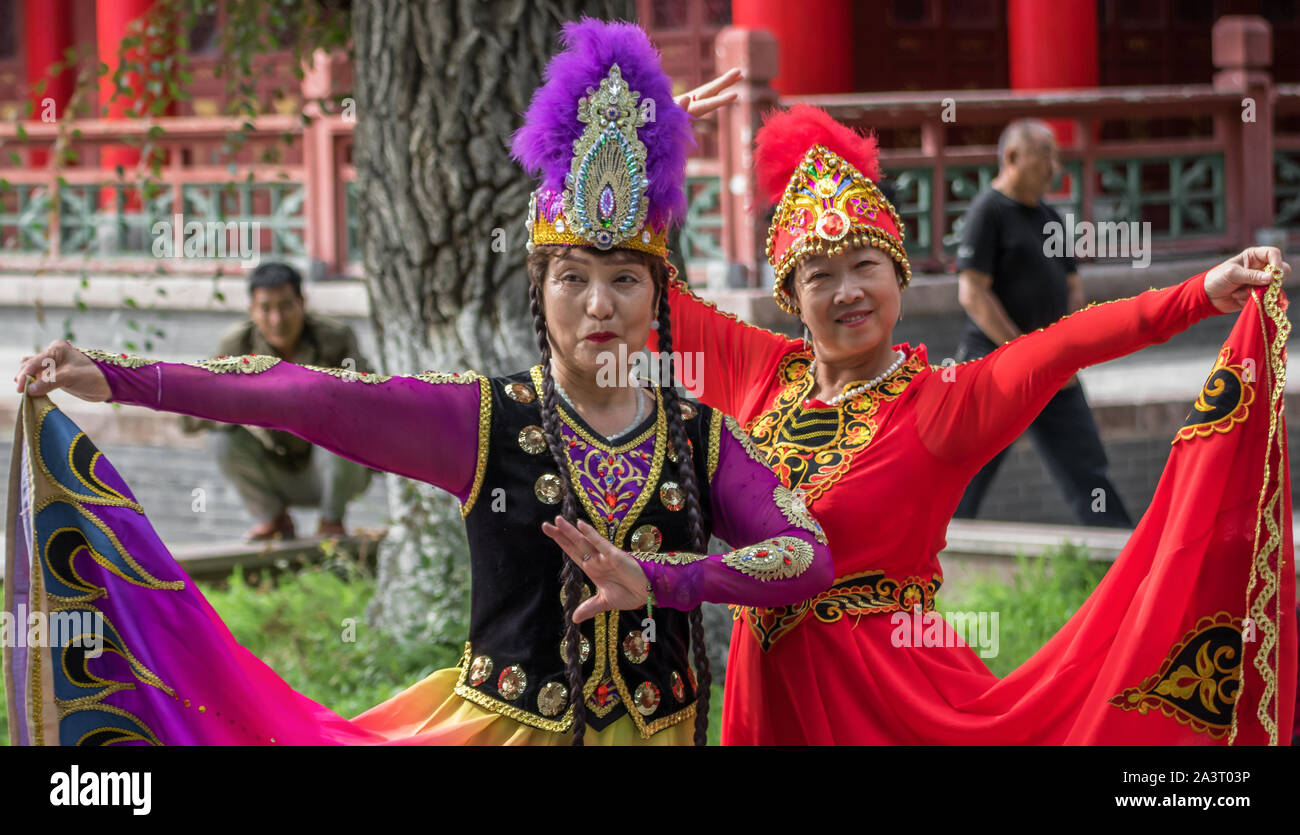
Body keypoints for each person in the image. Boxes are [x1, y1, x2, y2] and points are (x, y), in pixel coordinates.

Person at [7, 20, 831, 747]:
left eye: (624, 278)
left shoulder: (699, 434)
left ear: (660, 293)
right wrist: (117, 376)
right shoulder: (484, 420)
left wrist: (664, 578)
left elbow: (806, 557)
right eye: (571, 277)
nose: (598, 304)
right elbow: (306, 395)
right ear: (537, 295)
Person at [648, 104, 1295, 744]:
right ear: (792, 296)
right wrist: (643, 143)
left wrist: (1200, 291)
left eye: (866, 266)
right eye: (821, 275)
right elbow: (647, 293)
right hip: (766, 691)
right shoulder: (761, 371)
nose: (847, 290)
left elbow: (1067, 343)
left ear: (899, 279)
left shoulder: (943, 404)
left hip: (884, 698)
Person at [954, 118, 1132, 526]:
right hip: (996, 366)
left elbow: (1072, 285)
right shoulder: (988, 212)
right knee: (967, 470)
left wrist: (1062, 348)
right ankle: (936, 556)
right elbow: (972, 293)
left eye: (1057, 156)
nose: (1054, 166)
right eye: (1045, 155)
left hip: (1052, 367)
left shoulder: (1049, 215)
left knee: (1087, 467)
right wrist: (1023, 350)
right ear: (1013, 157)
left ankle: (1120, 556)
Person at [180, 261, 378, 540]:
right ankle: (272, 518)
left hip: (334, 472)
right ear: (252, 310)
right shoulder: (237, 345)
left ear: (302, 303)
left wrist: (319, 397)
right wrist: (242, 401)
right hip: (275, 471)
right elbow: (189, 416)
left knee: (345, 428)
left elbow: (372, 397)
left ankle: (332, 521)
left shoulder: (335, 338)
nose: (277, 319)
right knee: (220, 441)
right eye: (266, 308)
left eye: (286, 305)